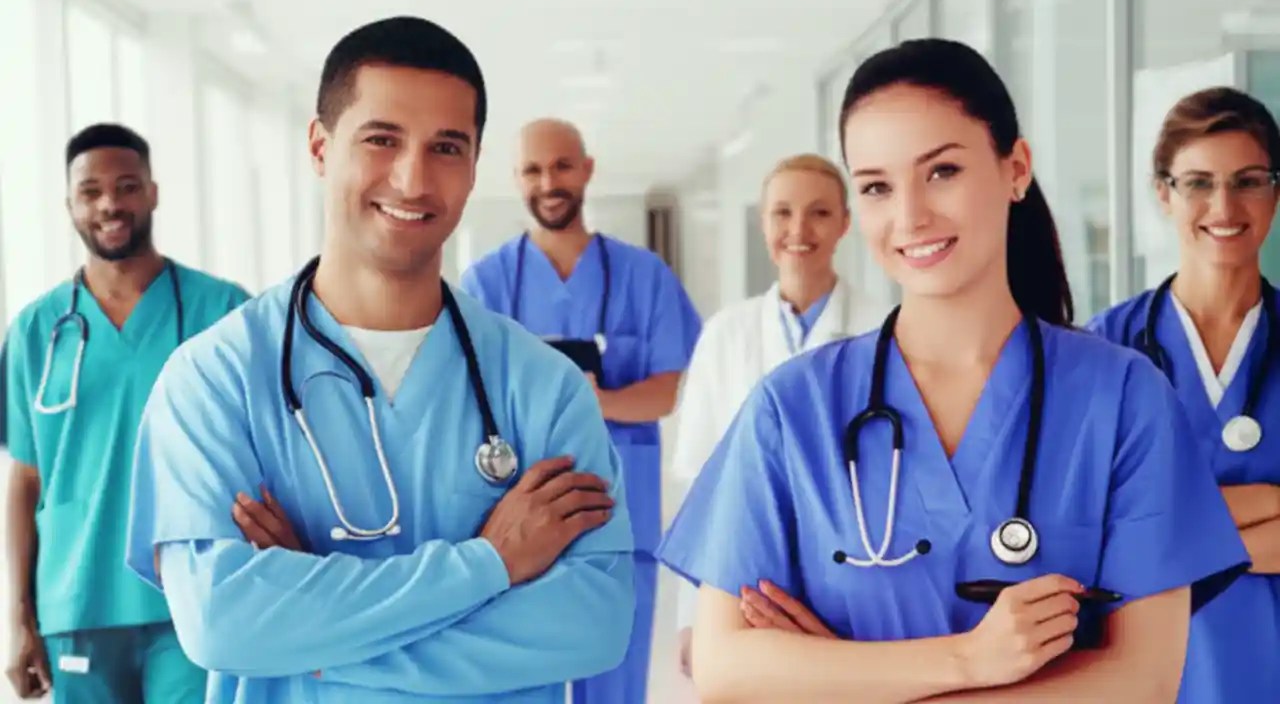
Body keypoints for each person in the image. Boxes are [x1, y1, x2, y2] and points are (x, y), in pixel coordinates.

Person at [656, 38, 1251, 703]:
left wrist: (842, 679)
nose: (909, 215)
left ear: (1016, 168)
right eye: (877, 187)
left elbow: (1140, 681)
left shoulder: (1123, 398)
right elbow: (724, 668)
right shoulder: (792, 409)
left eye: (941, 172)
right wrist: (969, 659)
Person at [124, 16, 635, 704]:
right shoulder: (213, 380)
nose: (413, 178)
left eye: (446, 146)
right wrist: (489, 564)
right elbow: (223, 624)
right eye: (382, 139)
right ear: (319, 147)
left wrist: (310, 635)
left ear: (475, 164)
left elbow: (590, 627)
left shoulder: (544, 387)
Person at [3, 123, 251, 702]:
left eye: (127, 186)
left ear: (153, 192)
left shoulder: (223, 311)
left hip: (193, 595)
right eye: (91, 191)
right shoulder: (38, 330)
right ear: (70, 204)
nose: (110, 203)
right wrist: (18, 616)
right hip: (78, 599)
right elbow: (25, 480)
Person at [460, 117, 701, 704]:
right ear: (516, 178)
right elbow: (467, 396)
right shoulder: (486, 284)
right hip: (518, 508)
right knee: (522, 673)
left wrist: (604, 402)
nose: (549, 182)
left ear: (587, 169)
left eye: (563, 166)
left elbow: (674, 388)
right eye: (533, 170)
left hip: (621, 507)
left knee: (617, 674)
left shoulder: (645, 277)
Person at [1086, 86, 1280, 703]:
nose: (1224, 205)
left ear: (1276, 192)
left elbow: (1133, 538)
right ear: (1163, 194)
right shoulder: (1101, 352)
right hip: (1151, 680)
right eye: (1198, 182)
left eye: (1248, 180)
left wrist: (1169, 539)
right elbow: (1089, 533)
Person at [669, 152, 883, 676]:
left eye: (819, 213)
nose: (798, 229)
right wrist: (691, 615)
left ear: (845, 224)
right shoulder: (725, 333)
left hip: (856, 583)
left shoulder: (886, 327)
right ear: (762, 222)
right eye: (782, 213)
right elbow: (702, 486)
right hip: (746, 583)